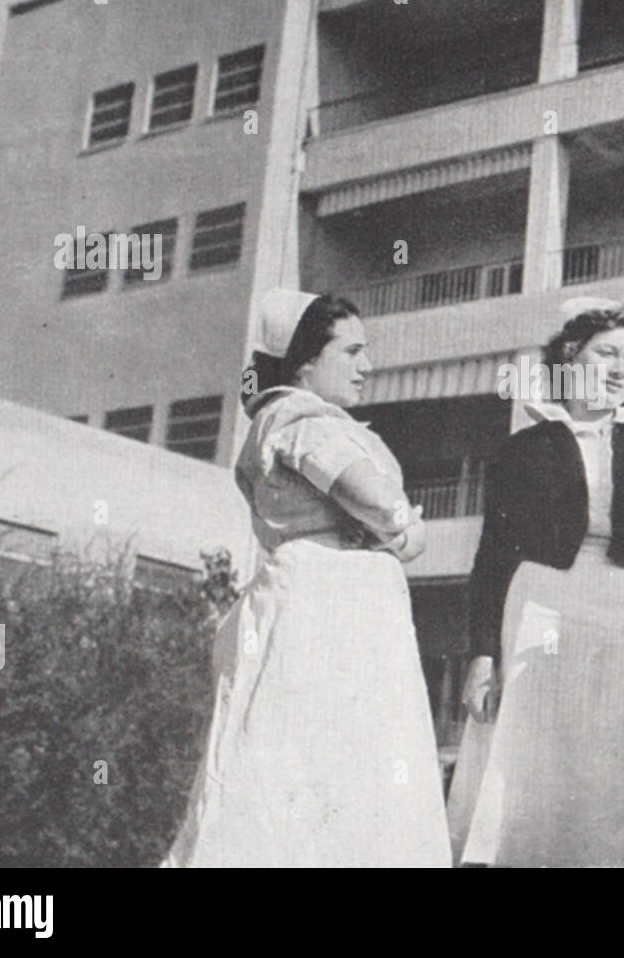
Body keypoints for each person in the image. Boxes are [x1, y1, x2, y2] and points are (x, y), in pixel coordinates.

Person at [165, 288, 450, 867]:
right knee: (305, 755)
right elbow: (374, 498)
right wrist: (405, 528)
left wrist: (395, 529)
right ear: (304, 362)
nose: (366, 366)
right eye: (351, 351)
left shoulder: (306, 420)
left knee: (344, 763)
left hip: (345, 597)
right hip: (325, 601)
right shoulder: (299, 420)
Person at [446, 298, 624, 866]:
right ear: (570, 356)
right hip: (543, 611)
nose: (622, 368)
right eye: (607, 353)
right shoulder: (524, 447)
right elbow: (492, 559)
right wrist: (481, 656)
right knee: (541, 770)